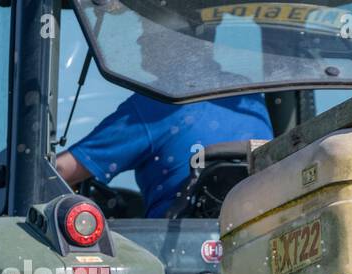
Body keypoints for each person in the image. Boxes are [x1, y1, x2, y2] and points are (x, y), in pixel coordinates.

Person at [55, 20, 273, 218]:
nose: (140, 39)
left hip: (171, 251)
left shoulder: (159, 102)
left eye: (149, 29)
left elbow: (63, 171)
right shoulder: (248, 96)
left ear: (176, 40)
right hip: (251, 243)